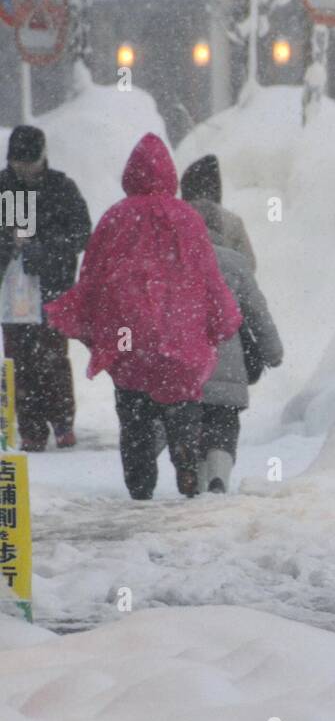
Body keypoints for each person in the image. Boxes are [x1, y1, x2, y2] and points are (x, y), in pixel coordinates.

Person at [47, 133, 241, 500]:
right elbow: (208, 278)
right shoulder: (188, 219)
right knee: (182, 402)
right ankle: (184, 451)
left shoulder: (116, 217)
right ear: (170, 175)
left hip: (127, 335)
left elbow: (93, 276)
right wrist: (220, 321)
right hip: (179, 335)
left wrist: (84, 317)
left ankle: (139, 481)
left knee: (133, 411)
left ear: (130, 174)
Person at [0, 125, 91, 451]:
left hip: (53, 290)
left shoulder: (61, 188)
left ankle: (62, 420)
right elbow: (10, 235)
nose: (22, 170)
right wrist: (10, 243)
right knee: (19, 360)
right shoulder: (7, 189)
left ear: (42, 158)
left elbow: (81, 233)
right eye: (16, 163)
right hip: (14, 294)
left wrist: (48, 250)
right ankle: (31, 429)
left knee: (52, 357)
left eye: (29, 163)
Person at [194, 201, 283, 492]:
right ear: (219, 229)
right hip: (228, 361)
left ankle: (196, 477)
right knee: (223, 422)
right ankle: (219, 476)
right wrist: (273, 352)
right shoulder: (235, 262)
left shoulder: (178, 258)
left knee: (191, 422)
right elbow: (258, 314)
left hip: (187, 362)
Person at [180, 153, 256, 270]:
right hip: (228, 284)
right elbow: (249, 265)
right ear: (216, 188)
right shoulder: (232, 222)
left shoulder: (174, 219)